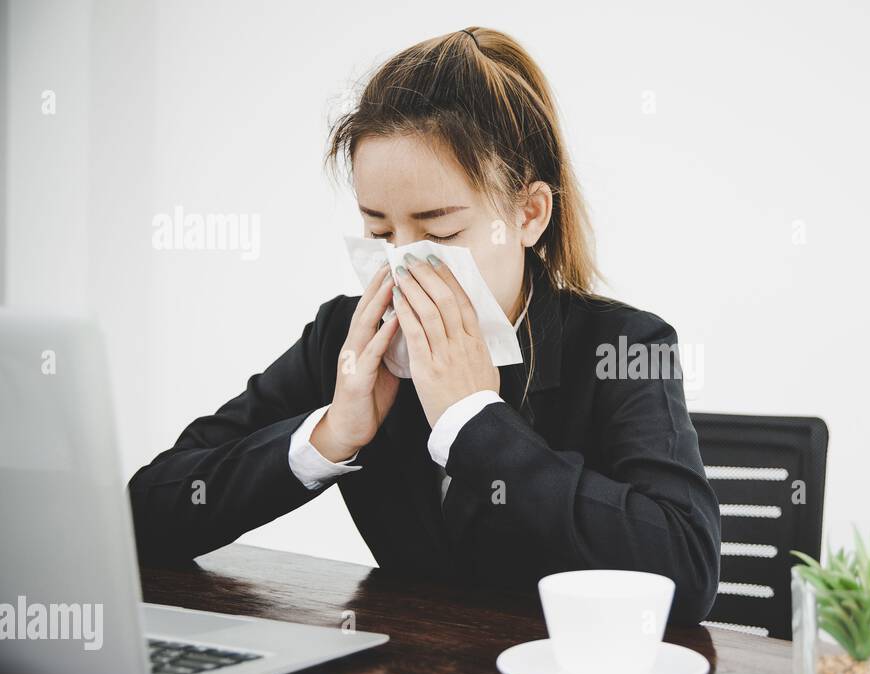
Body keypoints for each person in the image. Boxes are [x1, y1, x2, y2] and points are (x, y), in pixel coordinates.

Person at [127, 27, 721, 625]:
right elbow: (143, 514)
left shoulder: (625, 347)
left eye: (440, 233)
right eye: (381, 232)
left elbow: (686, 575)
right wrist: (329, 437)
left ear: (528, 214)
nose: (405, 264)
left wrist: (475, 423)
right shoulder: (347, 338)